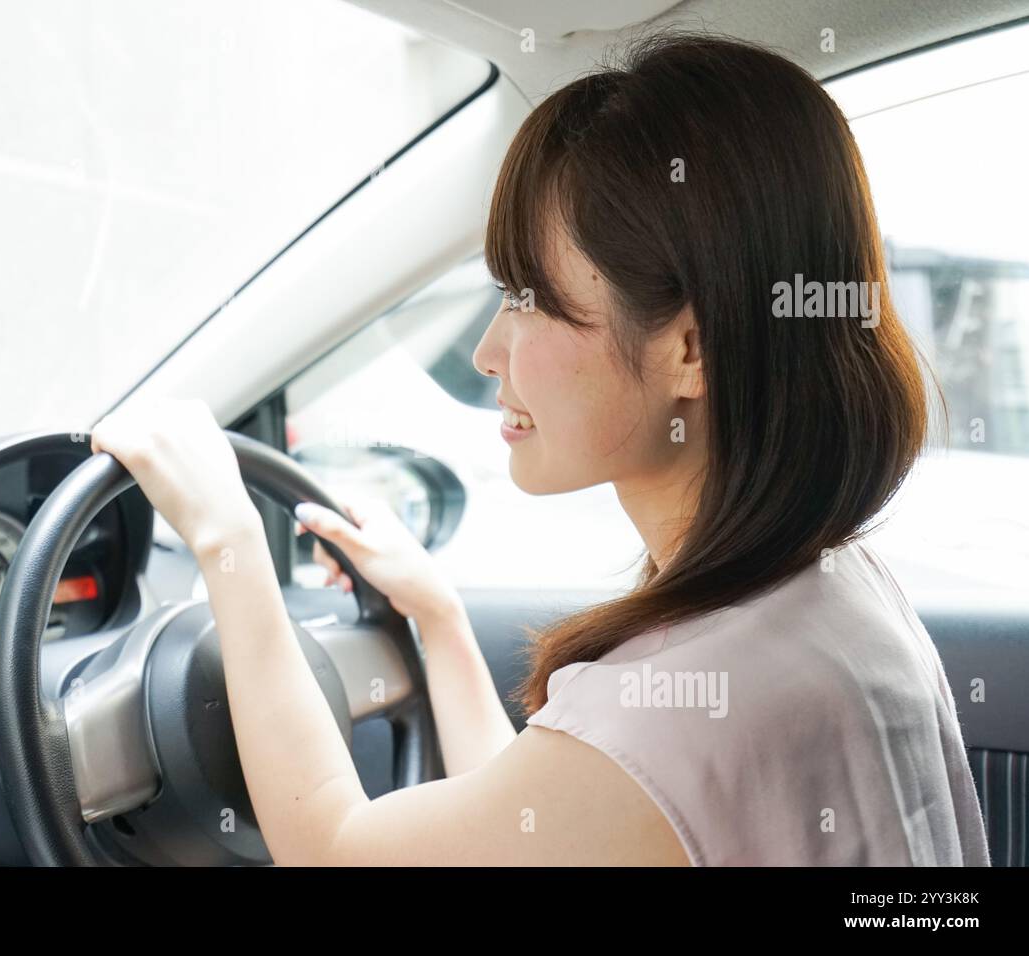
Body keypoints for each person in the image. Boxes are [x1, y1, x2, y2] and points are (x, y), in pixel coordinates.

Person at [91, 32, 991, 866]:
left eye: (529, 297)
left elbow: (335, 847)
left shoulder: (682, 714)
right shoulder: (830, 596)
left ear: (692, 349)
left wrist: (230, 546)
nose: (488, 352)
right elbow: (540, 822)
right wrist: (439, 623)